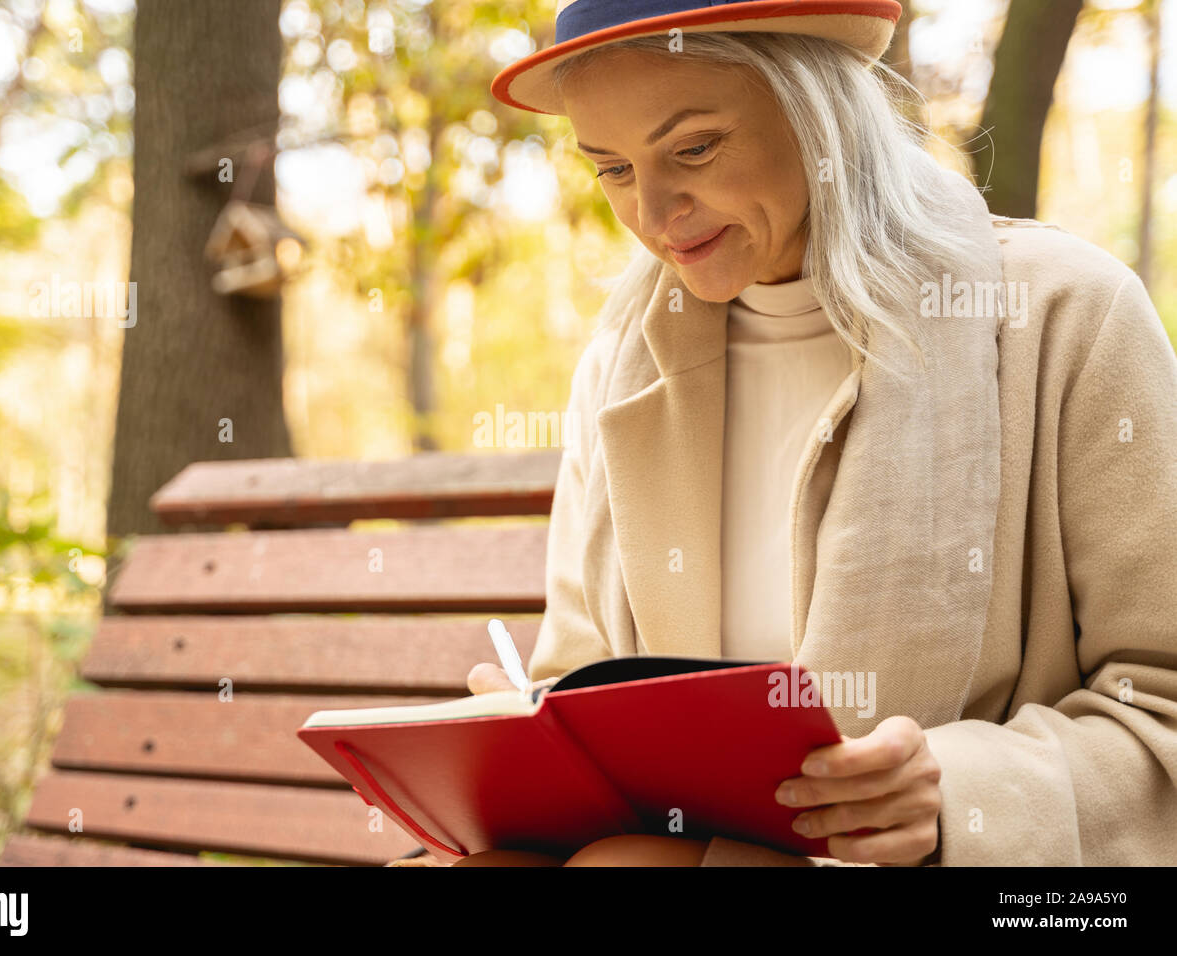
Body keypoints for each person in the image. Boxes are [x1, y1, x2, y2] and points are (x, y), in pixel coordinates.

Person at [450, 0, 1177, 867]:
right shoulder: (620, 361)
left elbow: (1160, 707)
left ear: (818, 110)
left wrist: (954, 795)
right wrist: (526, 737)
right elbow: (586, 676)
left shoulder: (1069, 315)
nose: (650, 212)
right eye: (609, 168)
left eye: (694, 148)